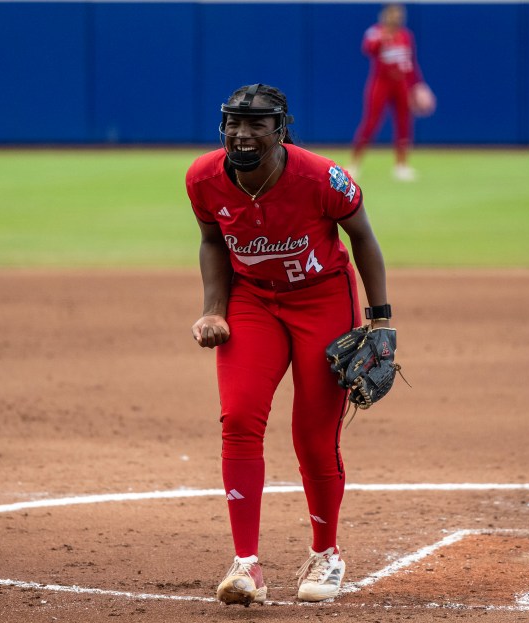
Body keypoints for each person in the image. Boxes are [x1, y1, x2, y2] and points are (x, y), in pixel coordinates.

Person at [185, 83, 393, 605]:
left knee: (314, 435)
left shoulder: (323, 177)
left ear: (281, 130)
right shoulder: (203, 178)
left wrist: (381, 318)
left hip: (322, 299)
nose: (242, 133)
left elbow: (362, 237)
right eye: (233, 123)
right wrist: (214, 308)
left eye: (256, 124)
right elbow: (213, 241)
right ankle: (245, 565)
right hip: (252, 303)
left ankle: (326, 553)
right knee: (239, 416)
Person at [348, 3, 433, 181]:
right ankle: (354, 164)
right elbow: (368, 49)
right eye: (394, 14)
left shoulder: (406, 35)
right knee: (371, 122)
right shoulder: (376, 31)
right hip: (381, 82)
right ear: (385, 15)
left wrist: (419, 85)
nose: (397, 18)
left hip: (401, 82)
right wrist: (382, 38)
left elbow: (411, 63)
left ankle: (401, 165)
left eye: (400, 14)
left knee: (404, 122)